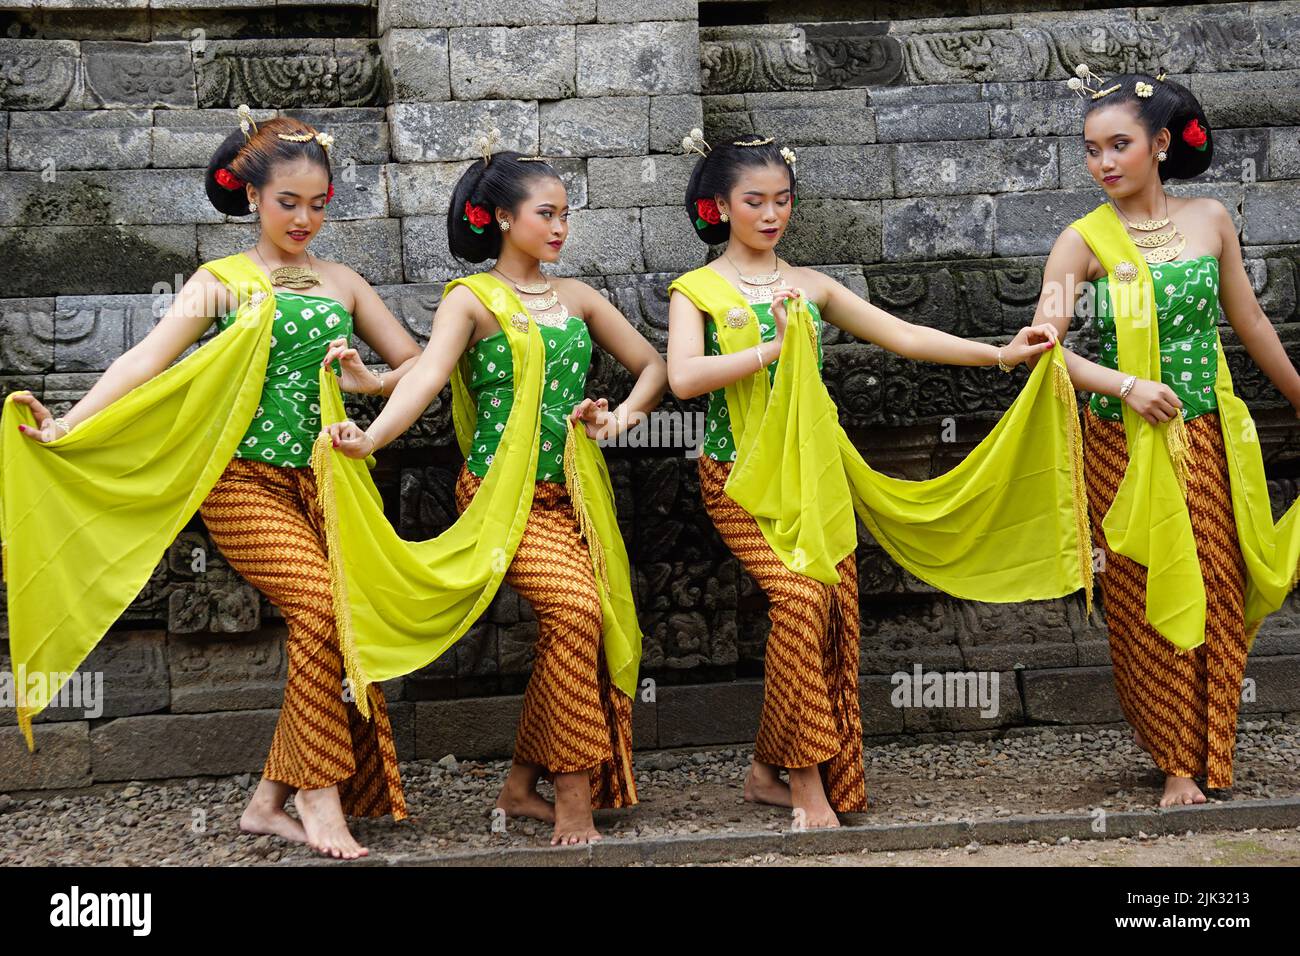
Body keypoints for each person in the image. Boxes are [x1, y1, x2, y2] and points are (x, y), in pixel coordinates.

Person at [6, 105, 423, 859]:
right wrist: (69, 424)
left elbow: (417, 365)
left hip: (326, 482)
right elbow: (145, 361)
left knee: (334, 622)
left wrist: (369, 379)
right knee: (322, 608)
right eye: (287, 202)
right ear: (252, 197)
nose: (303, 219)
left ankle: (267, 801)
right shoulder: (220, 279)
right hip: (240, 481)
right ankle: (320, 800)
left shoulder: (343, 282)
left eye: (318, 205)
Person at [667, 130, 1072, 828]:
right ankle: (803, 784)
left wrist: (1000, 355)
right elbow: (682, 378)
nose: (771, 215)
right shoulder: (697, 292)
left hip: (814, 479)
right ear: (720, 207)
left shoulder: (812, 286)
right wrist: (772, 348)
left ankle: (767, 769)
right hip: (737, 478)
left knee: (827, 619)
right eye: (754, 201)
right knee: (798, 602)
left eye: (782, 200)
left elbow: (905, 335)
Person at [323, 138, 667, 846]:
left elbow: (651, 365)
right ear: (504, 219)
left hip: (574, 492)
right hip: (499, 495)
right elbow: (422, 376)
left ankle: (518, 786)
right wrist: (373, 436)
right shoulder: (472, 300)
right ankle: (572, 802)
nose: (561, 227)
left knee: (586, 627)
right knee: (575, 613)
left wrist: (618, 420)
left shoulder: (577, 298)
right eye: (547, 213)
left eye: (566, 213)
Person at [1027, 66, 1300, 806]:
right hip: (1121, 442)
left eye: (1119, 145)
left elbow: (1249, 321)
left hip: (1203, 433)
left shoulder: (1210, 218)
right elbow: (1044, 344)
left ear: (1160, 145)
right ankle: (1177, 763)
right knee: (1146, 590)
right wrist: (1125, 384)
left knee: (1217, 580)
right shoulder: (1082, 242)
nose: (1104, 162)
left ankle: (1212, 752)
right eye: (1091, 149)